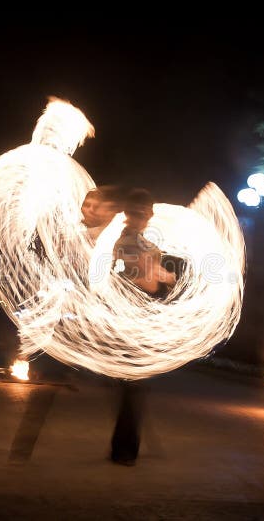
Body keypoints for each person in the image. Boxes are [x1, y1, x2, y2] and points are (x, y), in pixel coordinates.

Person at [108, 188, 177, 466]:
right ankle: (124, 450)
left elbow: (150, 273)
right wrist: (153, 274)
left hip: (146, 310)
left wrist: (165, 276)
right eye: (136, 211)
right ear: (127, 213)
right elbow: (128, 274)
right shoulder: (124, 242)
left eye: (146, 212)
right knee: (134, 384)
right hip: (131, 313)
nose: (142, 216)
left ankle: (124, 447)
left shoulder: (148, 243)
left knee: (135, 385)